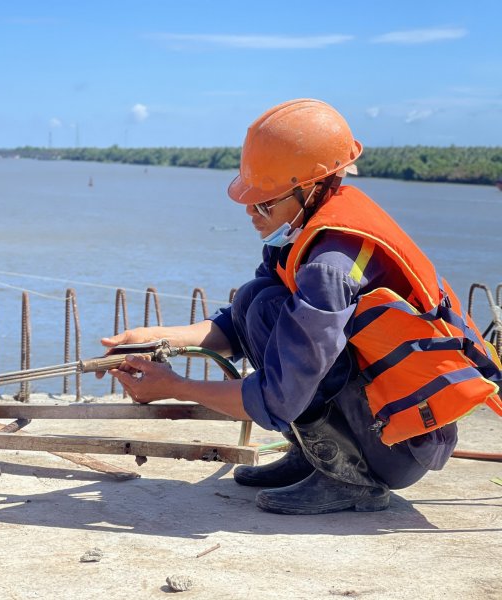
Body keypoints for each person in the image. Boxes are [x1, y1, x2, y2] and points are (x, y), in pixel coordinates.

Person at [99, 98, 502, 515]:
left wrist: (174, 387)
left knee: (269, 313)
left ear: (310, 188)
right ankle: (314, 455)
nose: (253, 214)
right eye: (250, 202)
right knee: (257, 301)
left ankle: (350, 478)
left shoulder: (331, 267)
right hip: (382, 426)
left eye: (265, 203)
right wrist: (153, 338)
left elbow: (279, 399)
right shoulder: (303, 235)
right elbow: (236, 328)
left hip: (400, 445)